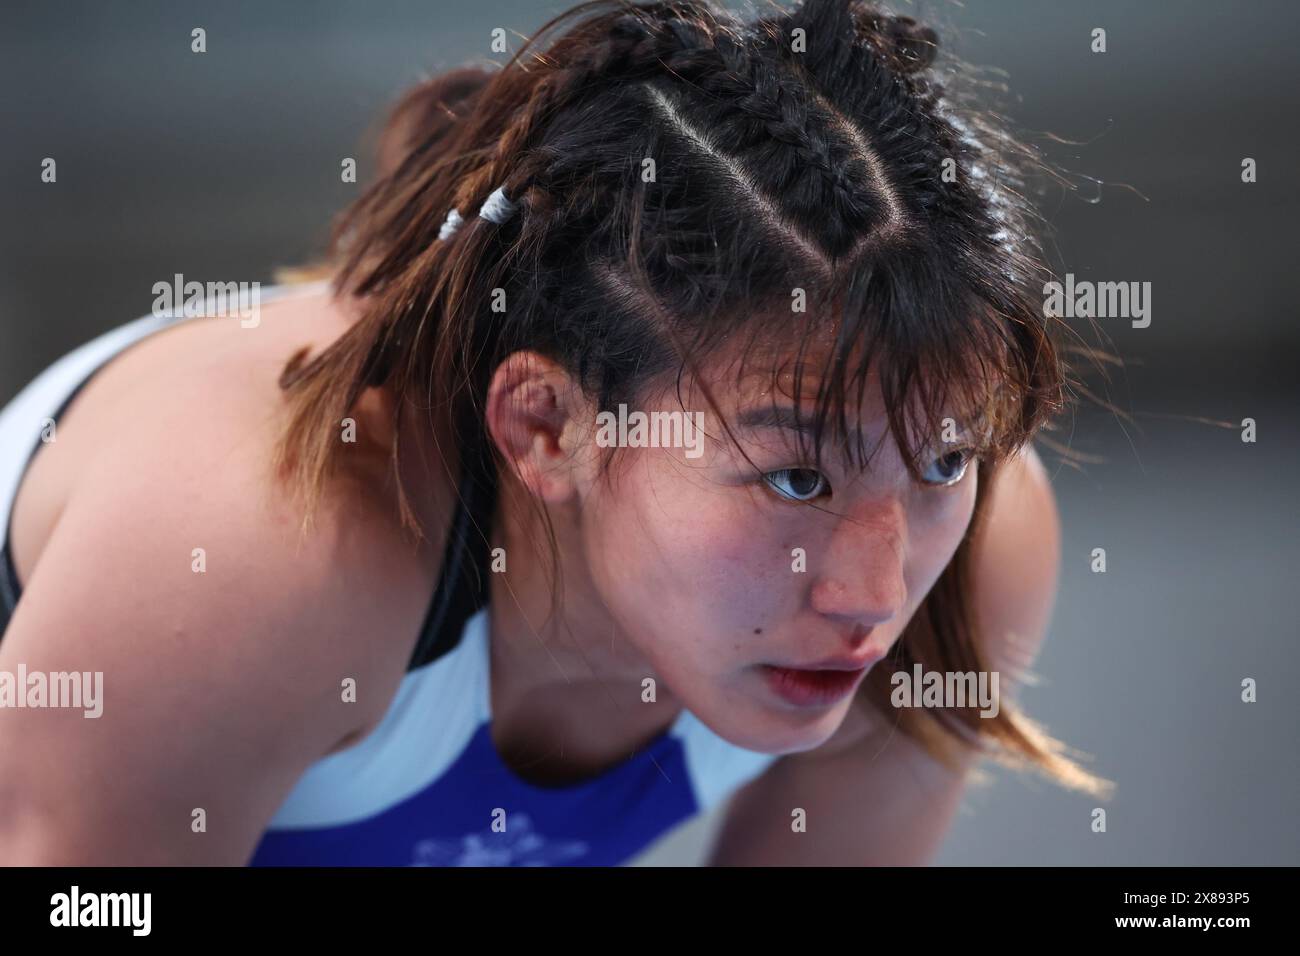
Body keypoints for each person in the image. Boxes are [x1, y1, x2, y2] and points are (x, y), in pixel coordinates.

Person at [0, 0, 1109, 867]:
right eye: (794, 478)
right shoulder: (249, 548)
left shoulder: (971, 552)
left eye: (947, 459)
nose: (874, 589)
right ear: (546, 426)